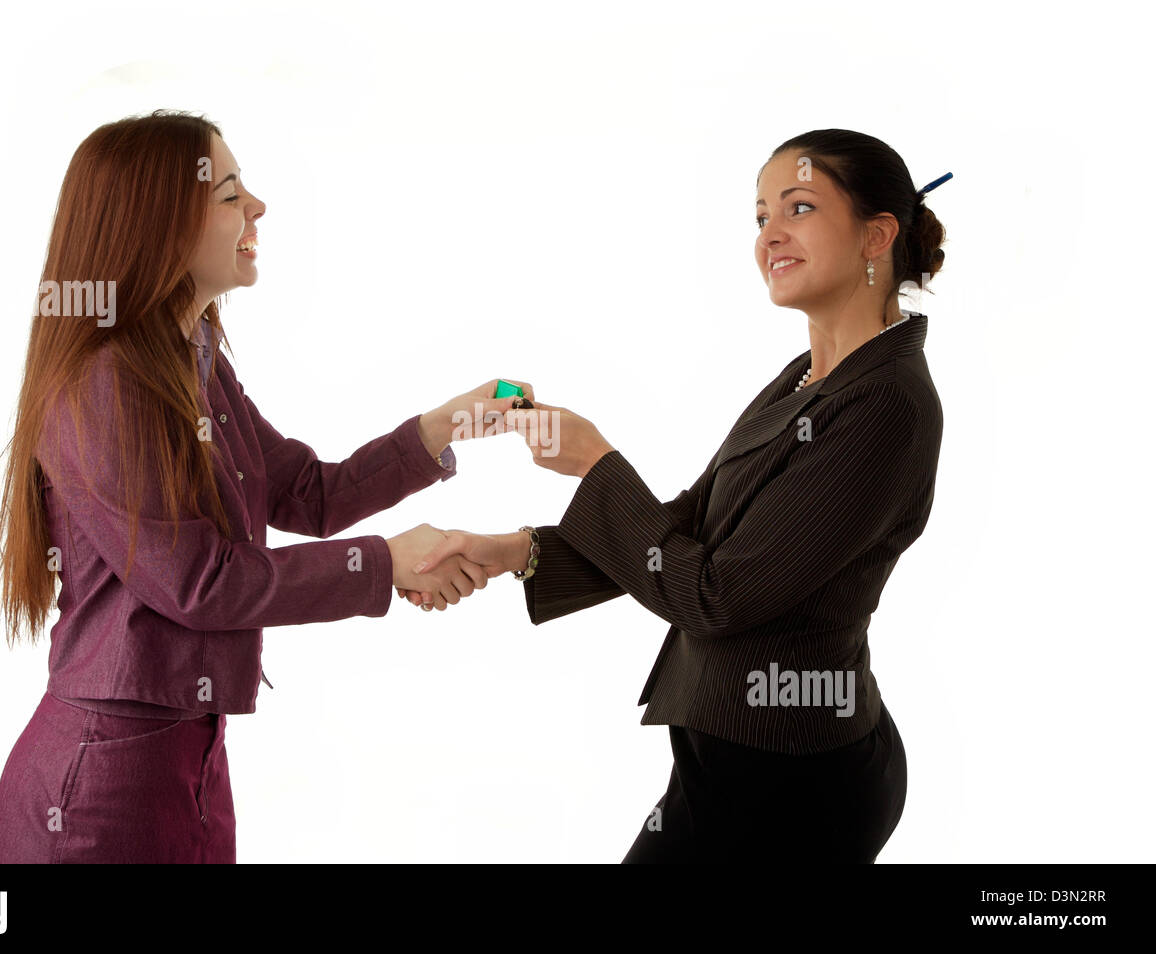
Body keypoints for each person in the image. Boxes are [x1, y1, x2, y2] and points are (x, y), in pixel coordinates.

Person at [0, 110, 518, 863]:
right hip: (101, 790)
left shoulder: (192, 357)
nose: (256, 208)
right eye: (230, 193)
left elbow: (306, 492)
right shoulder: (103, 385)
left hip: (189, 764)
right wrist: (386, 564)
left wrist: (442, 429)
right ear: (158, 219)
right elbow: (199, 582)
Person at [403, 129, 949, 863]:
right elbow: (692, 526)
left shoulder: (886, 406)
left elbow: (716, 594)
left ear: (876, 235)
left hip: (790, 783)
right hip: (730, 763)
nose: (769, 235)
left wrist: (597, 465)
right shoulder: (808, 377)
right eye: (760, 217)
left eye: (799, 207)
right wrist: (516, 552)